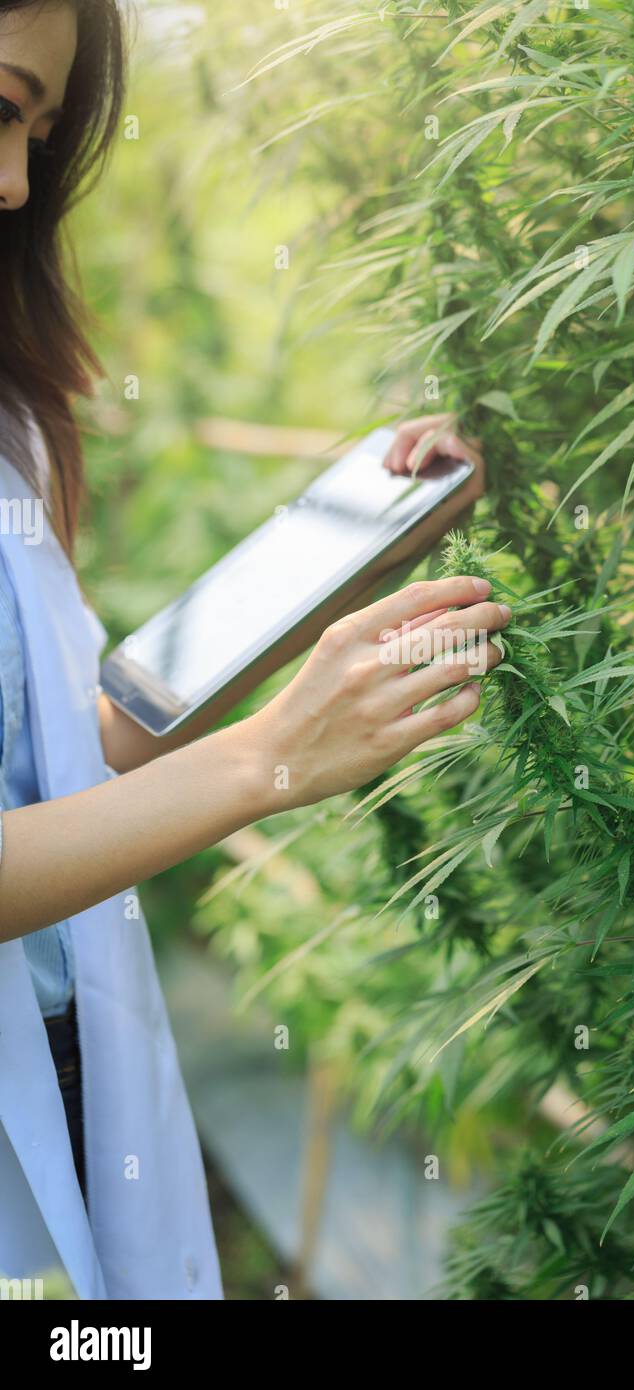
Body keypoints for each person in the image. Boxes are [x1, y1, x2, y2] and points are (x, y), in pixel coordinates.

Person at [0, 0, 510, 1300]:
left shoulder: (9, 423)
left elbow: (73, 740)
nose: (16, 184)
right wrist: (267, 759)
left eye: (37, 138)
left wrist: (344, 558)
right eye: (3, 108)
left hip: (57, 1060)